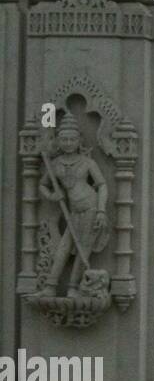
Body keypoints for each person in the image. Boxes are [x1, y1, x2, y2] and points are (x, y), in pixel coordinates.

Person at [37, 118, 109, 297]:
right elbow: (43, 185)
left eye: (72, 139)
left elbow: (102, 185)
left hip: (90, 209)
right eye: (64, 139)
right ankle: (50, 286)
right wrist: (53, 196)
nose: (68, 143)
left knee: (83, 248)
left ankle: (73, 287)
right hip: (73, 212)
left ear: (79, 141)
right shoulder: (55, 164)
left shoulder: (87, 162)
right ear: (59, 141)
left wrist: (101, 211)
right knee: (63, 247)